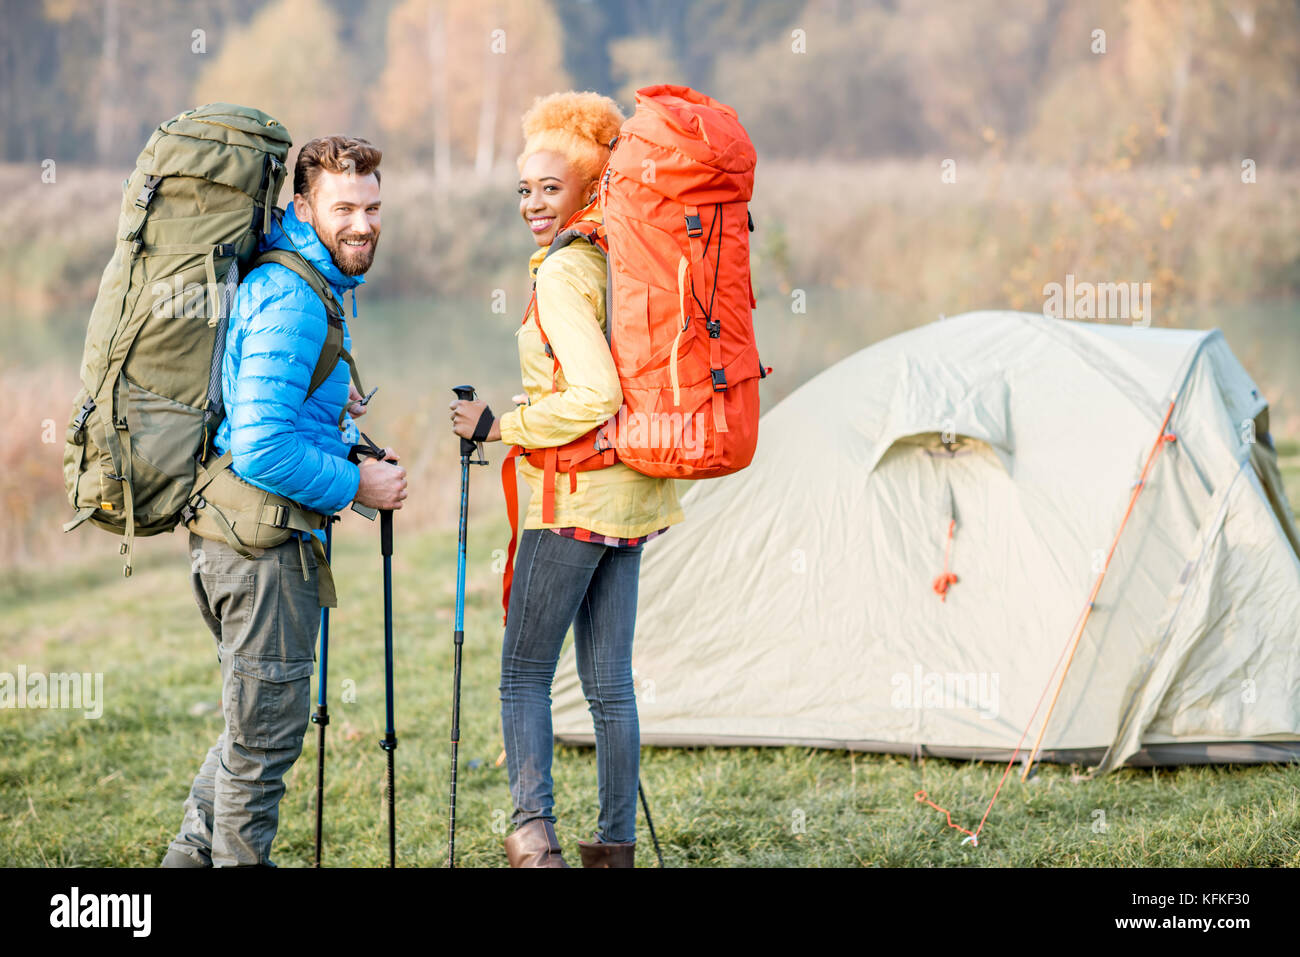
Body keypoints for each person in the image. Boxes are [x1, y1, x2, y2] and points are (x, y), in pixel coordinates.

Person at [450, 91, 684, 868]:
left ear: (590, 188)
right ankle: (614, 847)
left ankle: (532, 839)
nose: (532, 203)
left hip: (576, 497)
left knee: (522, 672)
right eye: (524, 189)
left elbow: (595, 394)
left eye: (551, 188)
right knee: (610, 684)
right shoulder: (627, 261)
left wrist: (500, 426)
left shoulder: (562, 275)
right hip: (634, 495)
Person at [162, 135, 408, 867]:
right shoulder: (295, 296)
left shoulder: (301, 276)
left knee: (250, 727)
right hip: (260, 554)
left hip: (234, 536)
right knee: (263, 744)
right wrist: (360, 484)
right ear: (303, 205)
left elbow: (266, 412)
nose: (363, 222)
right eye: (344, 207)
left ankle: (184, 859)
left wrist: (340, 432)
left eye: (372, 206)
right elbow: (263, 446)